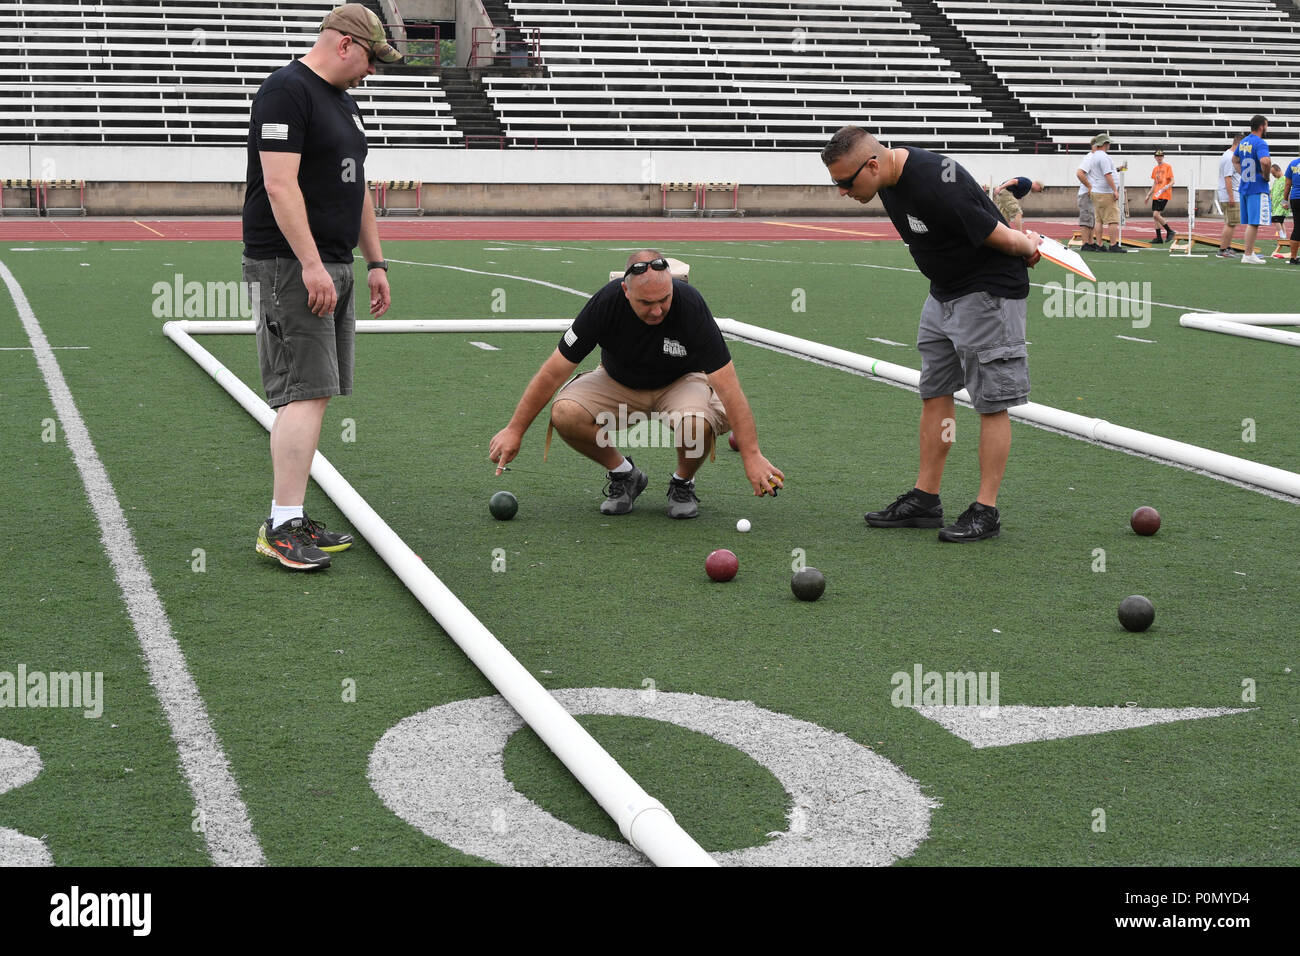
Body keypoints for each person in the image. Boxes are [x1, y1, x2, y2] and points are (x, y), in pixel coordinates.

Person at [821, 126, 1040, 543]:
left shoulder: (935, 180)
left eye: (845, 184)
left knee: (991, 403)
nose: (842, 192)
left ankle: (986, 509)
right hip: (943, 294)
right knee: (935, 391)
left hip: (987, 292)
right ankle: (926, 498)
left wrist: (1028, 247)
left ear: (871, 164)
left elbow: (995, 232)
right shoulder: (884, 179)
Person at [242, 4, 400, 571]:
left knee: (317, 390)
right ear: (343, 44)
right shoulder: (286, 91)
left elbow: (357, 188)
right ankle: (282, 524)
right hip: (290, 264)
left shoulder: (343, 101)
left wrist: (375, 261)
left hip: (332, 261)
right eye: (370, 59)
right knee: (303, 391)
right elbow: (280, 187)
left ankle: (293, 515)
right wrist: (309, 264)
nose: (372, 72)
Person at [488, 251, 784, 518]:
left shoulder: (691, 304)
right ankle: (625, 474)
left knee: (696, 424)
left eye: (664, 299)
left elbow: (729, 387)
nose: (657, 311)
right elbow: (553, 372)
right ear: (625, 291)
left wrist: (752, 454)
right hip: (618, 381)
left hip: (681, 382)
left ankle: (683, 482)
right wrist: (515, 429)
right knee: (565, 413)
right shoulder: (604, 304)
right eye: (646, 302)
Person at [1077, 133, 1125, 253]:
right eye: (1108, 143)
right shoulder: (1101, 157)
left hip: (1096, 191)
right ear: (1103, 144)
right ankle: (1111, 244)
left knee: (1097, 220)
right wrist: (1114, 189)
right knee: (1112, 219)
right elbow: (1106, 174)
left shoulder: (1093, 157)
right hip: (1103, 191)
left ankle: (1096, 243)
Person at [1235, 115, 1271, 264]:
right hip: (1257, 187)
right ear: (1262, 126)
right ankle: (1248, 253)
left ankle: (1248, 253)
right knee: (1254, 223)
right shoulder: (1260, 143)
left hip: (1245, 185)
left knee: (1251, 222)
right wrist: (1266, 176)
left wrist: (1242, 173)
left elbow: (1235, 159)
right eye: (1267, 125)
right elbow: (1265, 160)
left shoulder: (1243, 141)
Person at [1216, 132, 1244, 257]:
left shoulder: (1229, 155)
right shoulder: (1229, 157)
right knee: (1231, 223)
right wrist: (1231, 197)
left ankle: (1227, 247)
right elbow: (1228, 178)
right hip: (1230, 194)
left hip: (1231, 193)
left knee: (1232, 223)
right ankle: (1223, 250)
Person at [1145, 149, 1175, 243]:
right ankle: (1158, 238)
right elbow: (1155, 183)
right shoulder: (1155, 169)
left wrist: (1166, 187)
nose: (1159, 158)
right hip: (1156, 195)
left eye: (1161, 156)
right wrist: (1149, 194)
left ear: (1163, 157)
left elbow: (1172, 181)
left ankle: (1170, 231)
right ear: (1155, 157)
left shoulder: (1167, 167)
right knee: (1155, 217)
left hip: (1164, 194)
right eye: (1157, 156)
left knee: (1156, 214)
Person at [1076, 140, 1099, 251]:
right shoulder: (1090, 158)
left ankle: (1090, 242)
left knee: (1091, 218)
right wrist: (1089, 186)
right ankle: (1085, 243)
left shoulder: (1094, 158)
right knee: (1086, 218)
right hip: (1086, 193)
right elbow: (1079, 173)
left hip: (1091, 193)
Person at [1268, 163, 1288, 246]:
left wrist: (1286, 202)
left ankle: (1282, 238)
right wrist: (1270, 198)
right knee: (1281, 221)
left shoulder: (1285, 179)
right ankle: (1285, 239)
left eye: (1274, 173)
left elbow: (1288, 190)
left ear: (1278, 170)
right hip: (1275, 206)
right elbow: (1272, 192)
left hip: (1282, 204)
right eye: (1272, 174)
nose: (1273, 176)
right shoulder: (1276, 181)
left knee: (1275, 219)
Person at [1286, 156, 1300, 264]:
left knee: (1297, 228)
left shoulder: (1293, 164)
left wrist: (1284, 200)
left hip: (1295, 198)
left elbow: (1288, 184)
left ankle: (1293, 257)